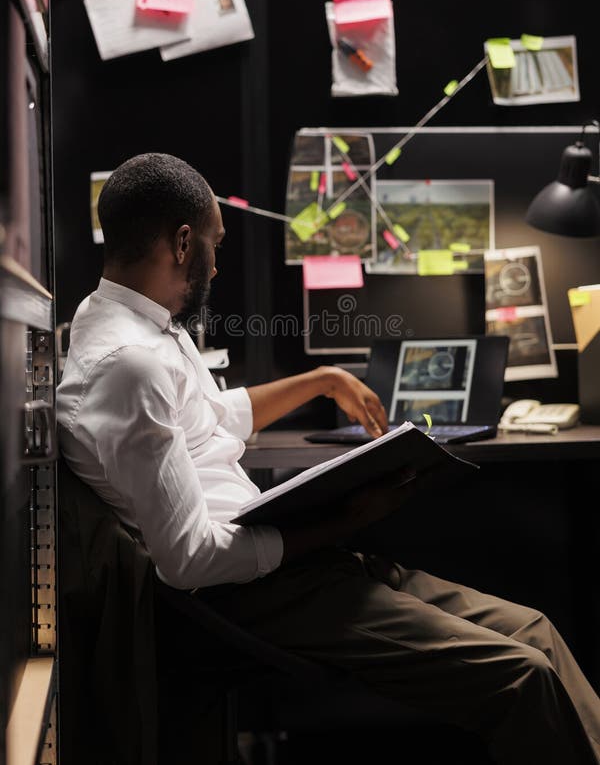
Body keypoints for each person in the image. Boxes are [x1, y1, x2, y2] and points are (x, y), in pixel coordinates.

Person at [57, 152, 600, 764]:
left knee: (537, 631)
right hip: (246, 593)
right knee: (521, 675)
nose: (219, 260)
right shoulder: (129, 365)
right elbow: (191, 560)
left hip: (290, 559)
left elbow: (212, 419)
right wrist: (345, 517)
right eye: (215, 243)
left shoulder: (134, 321)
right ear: (183, 243)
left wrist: (322, 379)